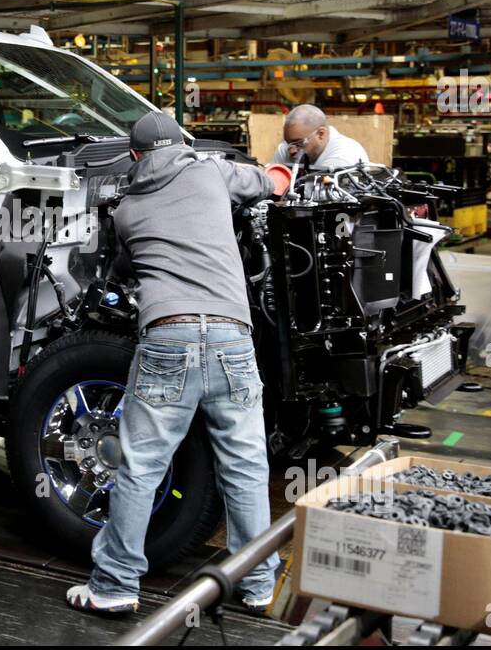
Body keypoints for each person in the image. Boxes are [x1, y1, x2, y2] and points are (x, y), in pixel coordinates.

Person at [66, 111, 280, 616]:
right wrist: (283, 175)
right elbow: (267, 183)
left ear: (134, 157)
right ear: (183, 144)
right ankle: (257, 585)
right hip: (232, 334)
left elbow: (121, 271)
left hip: (168, 335)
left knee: (140, 468)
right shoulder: (210, 171)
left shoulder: (126, 211)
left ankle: (116, 588)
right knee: (247, 468)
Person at [271, 103, 370, 173]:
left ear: (321, 134)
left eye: (299, 143)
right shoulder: (286, 148)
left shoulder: (345, 153)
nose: (291, 151)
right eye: (288, 143)